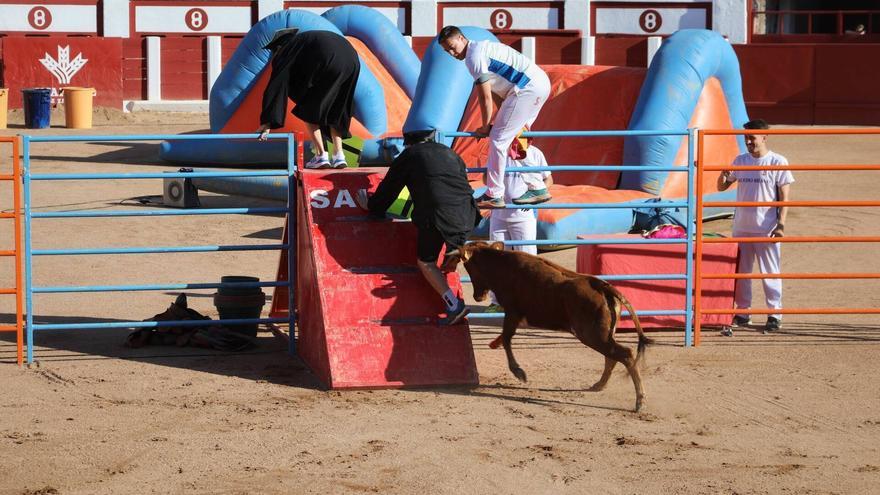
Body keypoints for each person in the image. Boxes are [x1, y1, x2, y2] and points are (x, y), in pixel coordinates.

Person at [357, 133, 481, 325]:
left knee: (426, 262)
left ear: (407, 143)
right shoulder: (450, 152)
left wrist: (372, 206)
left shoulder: (410, 155)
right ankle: (455, 251)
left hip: (437, 215)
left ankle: (453, 305)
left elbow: (390, 188)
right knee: (452, 241)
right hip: (467, 212)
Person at [438, 25, 552, 208]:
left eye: (452, 47)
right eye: (447, 50)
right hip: (538, 84)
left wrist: (485, 126)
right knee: (514, 138)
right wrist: (499, 121)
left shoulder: (473, 57)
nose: (451, 53)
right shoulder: (482, 48)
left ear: (461, 38)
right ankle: (537, 186)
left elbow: (485, 96)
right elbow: (499, 94)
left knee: (498, 140)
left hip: (527, 88)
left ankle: (494, 193)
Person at [717, 119, 794, 335]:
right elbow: (722, 186)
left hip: (766, 227)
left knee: (770, 272)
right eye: (746, 138)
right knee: (742, 273)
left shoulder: (778, 161)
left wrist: (781, 224)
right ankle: (743, 312)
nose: (748, 141)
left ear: (764, 137)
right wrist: (722, 175)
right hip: (742, 227)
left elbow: (785, 197)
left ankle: (775, 314)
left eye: (752, 137)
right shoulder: (740, 161)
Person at [256, 28, 360, 170]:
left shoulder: (287, 50)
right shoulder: (306, 41)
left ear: (279, 47)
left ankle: (321, 155)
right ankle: (339, 155)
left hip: (329, 58)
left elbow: (276, 84)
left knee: (308, 107)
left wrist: (268, 122)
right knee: (337, 108)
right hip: (352, 60)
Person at [485, 139, 553, 313]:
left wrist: (534, 199)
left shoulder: (535, 153)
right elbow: (486, 178)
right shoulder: (499, 151)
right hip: (498, 215)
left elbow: (549, 179)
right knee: (496, 259)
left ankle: (532, 301)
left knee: (528, 260)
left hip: (523, 216)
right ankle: (497, 301)